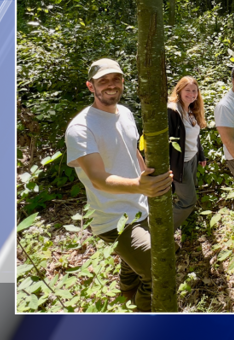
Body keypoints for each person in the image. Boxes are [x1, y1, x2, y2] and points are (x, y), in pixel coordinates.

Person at [65, 58, 173, 312]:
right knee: (158, 273)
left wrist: (147, 173)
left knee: (132, 265)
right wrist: (140, 185)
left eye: (116, 79)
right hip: (112, 219)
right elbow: (97, 178)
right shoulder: (80, 128)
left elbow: (131, 149)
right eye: (103, 81)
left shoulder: (125, 112)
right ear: (91, 86)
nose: (111, 85)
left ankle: (126, 296)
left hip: (140, 206)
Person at [168, 76, 207, 230]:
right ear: (179, 90)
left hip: (192, 158)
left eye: (194, 91)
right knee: (188, 201)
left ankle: (187, 227)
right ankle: (161, 232)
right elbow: (169, 142)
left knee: (189, 192)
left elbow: (194, 135)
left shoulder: (190, 109)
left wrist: (201, 155)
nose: (191, 94)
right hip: (180, 163)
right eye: (188, 90)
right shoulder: (173, 111)